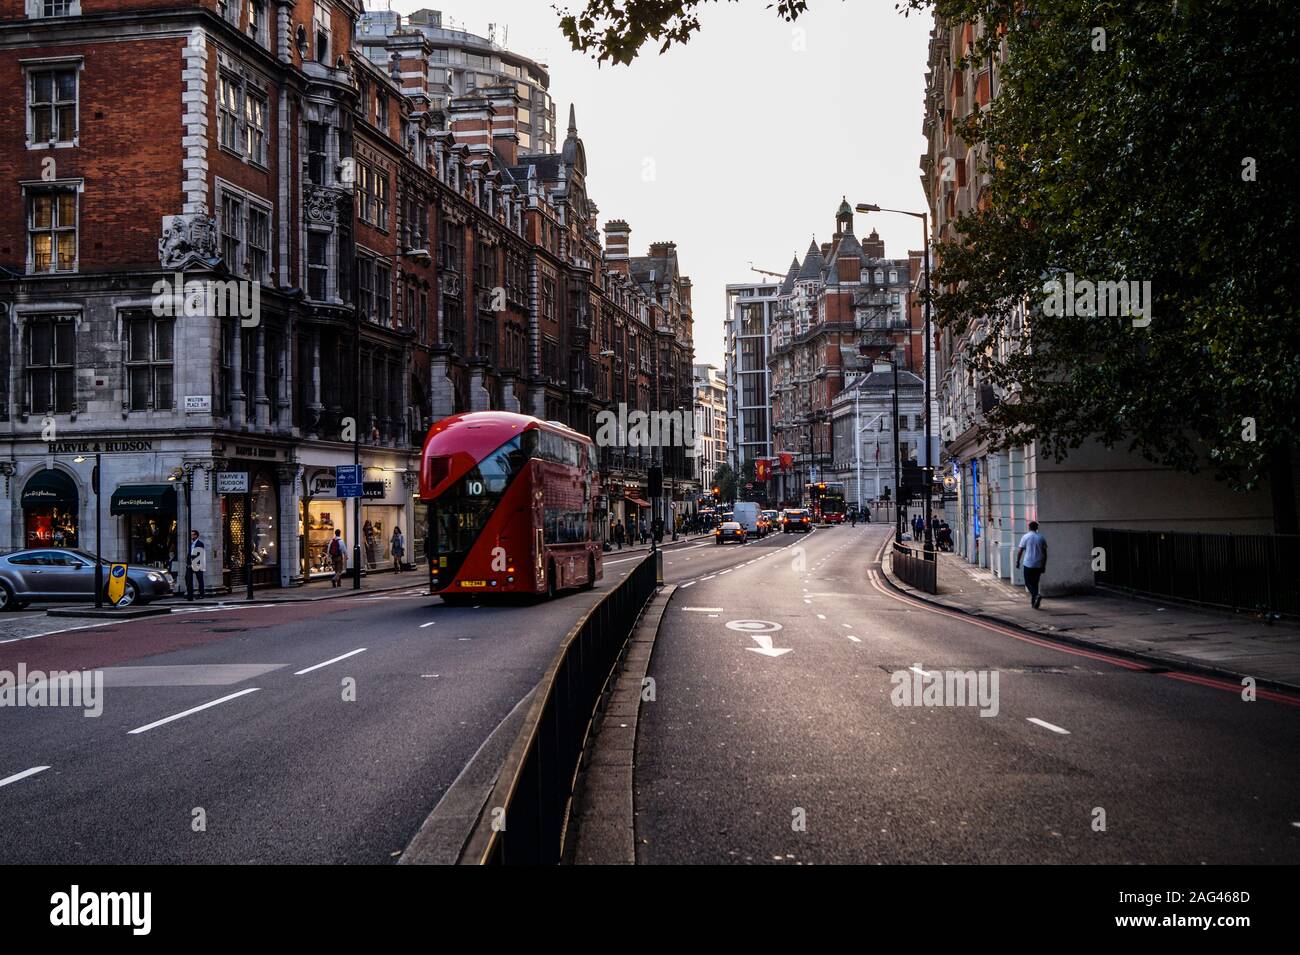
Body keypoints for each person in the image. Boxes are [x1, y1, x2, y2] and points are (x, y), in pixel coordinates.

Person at [1015, 520, 1048, 609]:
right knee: (1035, 583)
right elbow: (1045, 553)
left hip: (1028, 563)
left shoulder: (1025, 537)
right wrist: (1044, 565)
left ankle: (1036, 595)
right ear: (1037, 528)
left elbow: (1020, 551)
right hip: (1038, 563)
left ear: (1029, 527)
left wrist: (1017, 561)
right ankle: (1034, 604)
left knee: (1028, 582)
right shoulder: (1041, 537)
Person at [186, 530, 207, 600]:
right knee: (187, 578)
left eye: (193, 535)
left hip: (197, 563)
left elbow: (200, 554)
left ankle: (201, 594)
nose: (192, 536)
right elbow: (189, 554)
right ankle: (190, 594)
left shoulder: (200, 543)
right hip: (190, 564)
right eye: (191, 535)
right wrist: (188, 563)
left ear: (196, 535)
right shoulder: (191, 544)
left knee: (200, 579)